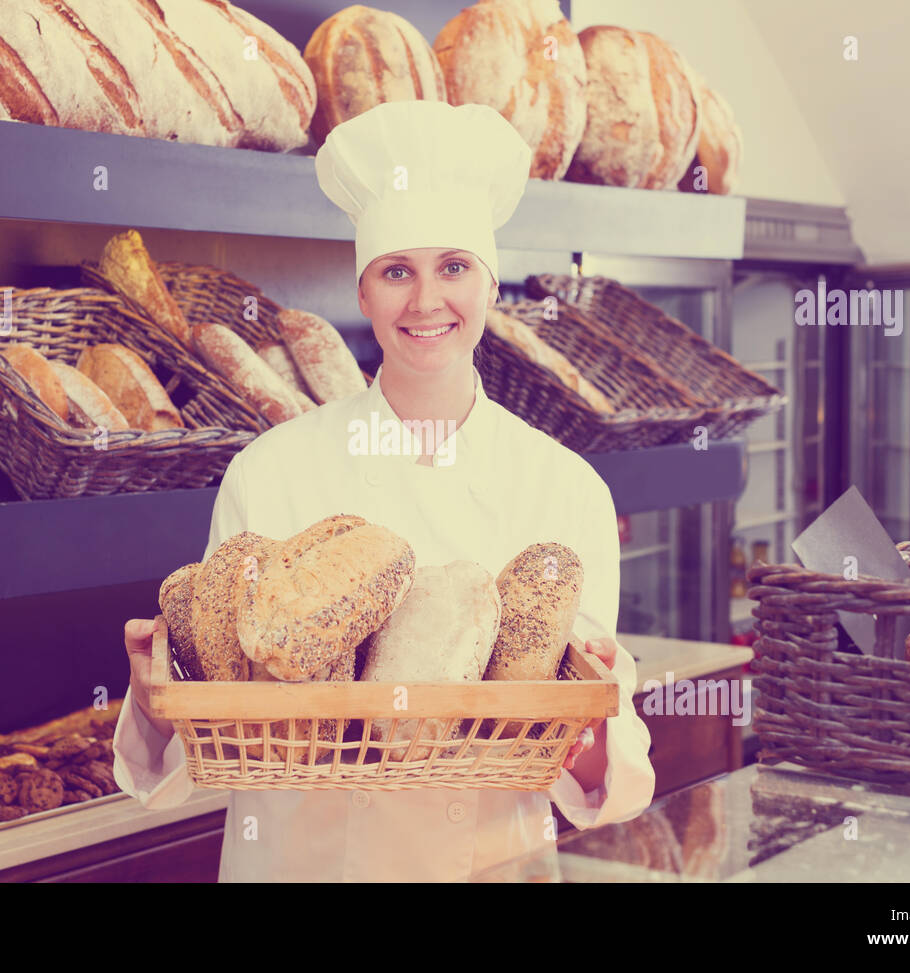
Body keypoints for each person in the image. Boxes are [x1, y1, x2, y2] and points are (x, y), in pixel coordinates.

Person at [114, 100, 655, 882]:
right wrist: (155, 684)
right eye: (397, 271)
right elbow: (199, 751)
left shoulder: (565, 488)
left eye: (454, 268)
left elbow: (605, 776)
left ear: (491, 287)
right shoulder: (271, 471)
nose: (426, 300)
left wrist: (592, 717)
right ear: (363, 293)